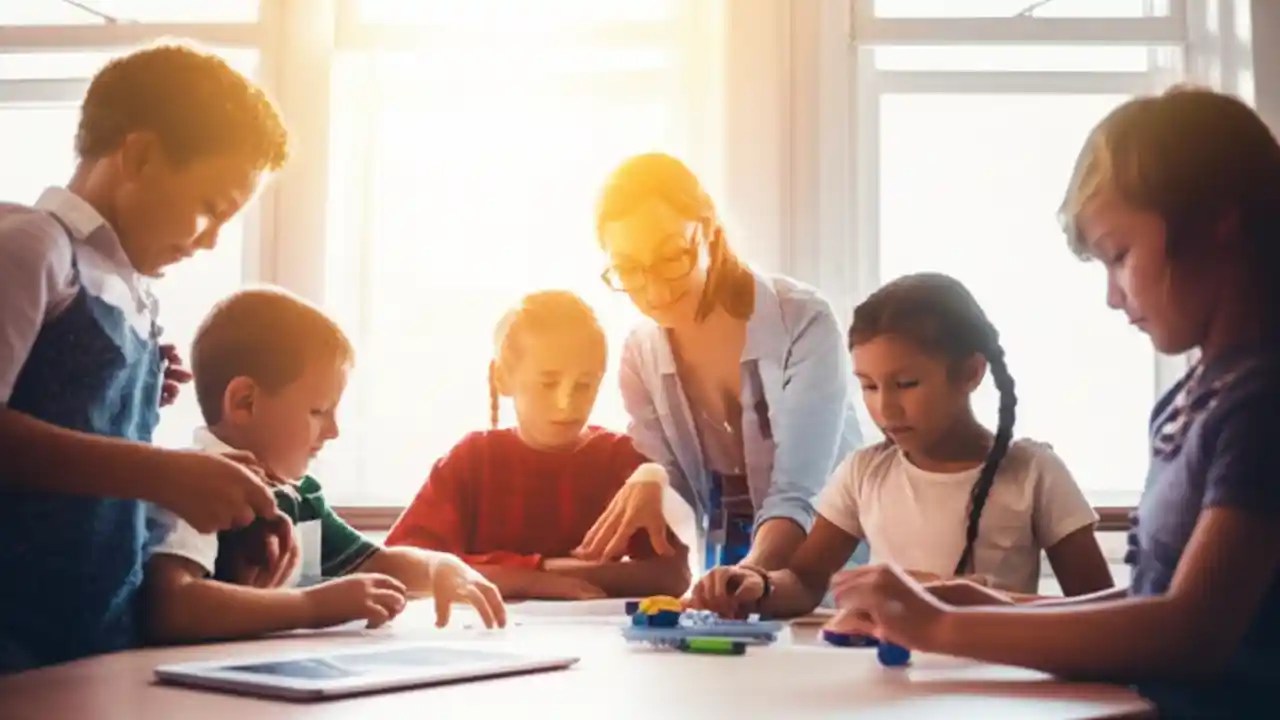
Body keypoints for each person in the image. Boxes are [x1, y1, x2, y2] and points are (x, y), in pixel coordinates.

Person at [827, 87, 1280, 718]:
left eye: (1120, 256)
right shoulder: (1194, 400)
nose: (1113, 298)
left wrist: (939, 628)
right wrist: (980, 604)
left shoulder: (1263, 405)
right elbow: (1145, 601)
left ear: (1215, 221)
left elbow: (1193, 632)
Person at [0, 44, 291, 671]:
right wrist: (161, 472)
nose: (211, 240)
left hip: (93, 639)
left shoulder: (128, 291)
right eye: (211, 207)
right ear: (141, 155)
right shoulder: (29, 246)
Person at [692, 272, 1112, 618]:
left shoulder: (1035, 472)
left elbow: (1099, 612)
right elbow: (804, 581)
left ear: (970, 373)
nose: (885, 407)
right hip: (890, 687)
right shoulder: (864, 473)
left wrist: (982, 602)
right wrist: (758, 584)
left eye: (906, 384)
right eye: (869, 386)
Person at [144, 288, 506, 641]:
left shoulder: (298, 495)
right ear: (245, 402)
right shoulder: (196, 485)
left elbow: (376, 563)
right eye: (318, 411)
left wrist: (439, 567)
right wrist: (309, 606)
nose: (333, 431)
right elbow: (171, 605)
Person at [576, 153, 864, 592]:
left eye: (672, 255)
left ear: (708, 227)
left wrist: (746, 577)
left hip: (830, 578)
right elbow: (682, 502)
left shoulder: (803, 321)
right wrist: (653, 475)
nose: (654, 290)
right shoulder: (640, 354)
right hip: (730, 583)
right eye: (630, 269)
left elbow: (799, 492)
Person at [387, 290, 691, 600]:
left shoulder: (624, 460)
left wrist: (519, 573)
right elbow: (403, 565)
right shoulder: (471, 460)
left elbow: (671, 575)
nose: (566, 403)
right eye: (548, 383)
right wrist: (536, 578)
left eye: (584, 384)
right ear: (503, 377)